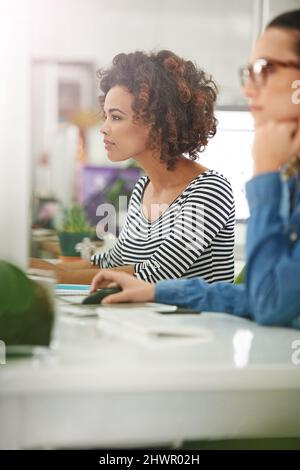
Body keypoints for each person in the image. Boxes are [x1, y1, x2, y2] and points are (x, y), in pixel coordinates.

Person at [91, 10, 300, 330]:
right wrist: (156, 292)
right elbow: (253, 297)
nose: (248, 89)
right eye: (250, 72)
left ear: (156, 120)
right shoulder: (291, 185)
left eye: (265, 69)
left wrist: (264, 173)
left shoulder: (214, 189)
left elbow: (269, 303)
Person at [31, 50, 235, 285]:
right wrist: (31, 266)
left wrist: (53, 274)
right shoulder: (143, 187)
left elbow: (154, 274)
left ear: (158, 122)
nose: (104, 128)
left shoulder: (210, 190)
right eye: (106, 116)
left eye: (116, 117)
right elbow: (111, 262)